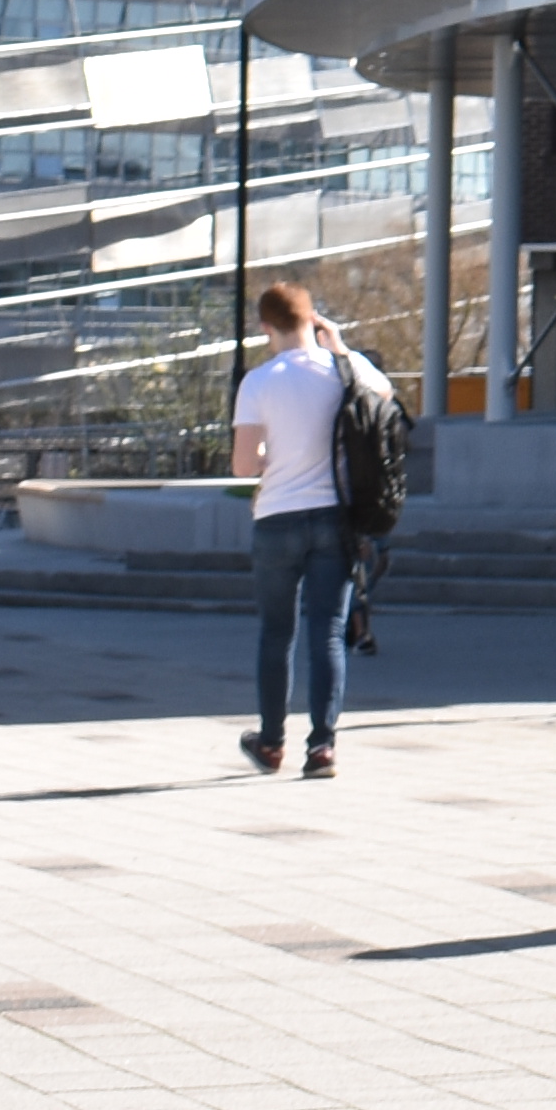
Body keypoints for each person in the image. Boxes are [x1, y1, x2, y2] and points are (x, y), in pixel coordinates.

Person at [232, 282, 367, 779]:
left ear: (266, 326)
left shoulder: (260, 382)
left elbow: (245, 464)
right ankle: (322, 747)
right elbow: (385, 397)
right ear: (314, 320)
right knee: (328, 632)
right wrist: (340, 345)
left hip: (276, 518)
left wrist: (274, 457)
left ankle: (271, 743)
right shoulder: (343, 371)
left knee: (276, 633)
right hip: (334, 517)